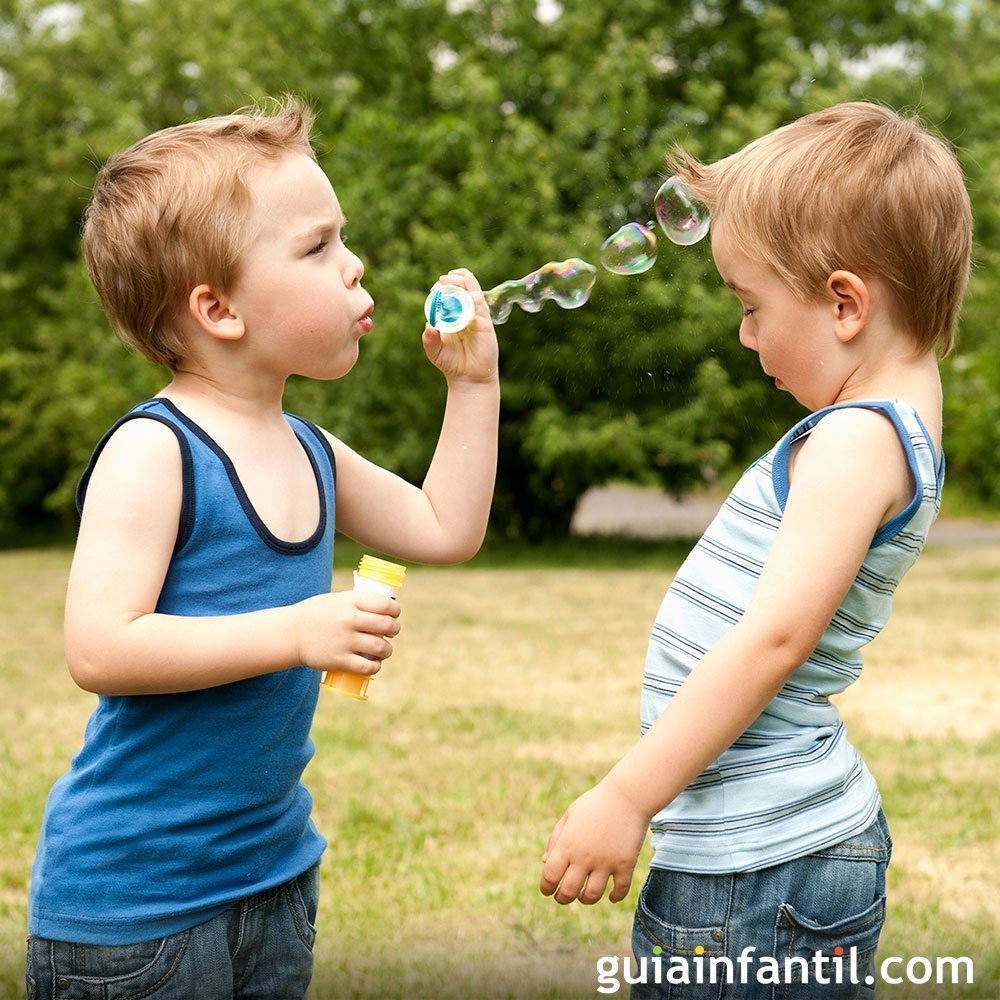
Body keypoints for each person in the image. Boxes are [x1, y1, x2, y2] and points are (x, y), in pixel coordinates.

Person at [26, 96, 499, 999]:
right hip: (135, 910)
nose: (355, 263)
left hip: (273, 875)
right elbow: (100, 647)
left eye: (341, 237)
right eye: (318, 247)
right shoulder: (156, 451)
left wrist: (472, 386)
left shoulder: (313, 450)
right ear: (217, 308)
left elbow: (447, 527)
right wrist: (296, 632)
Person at [540, 102, 972, 997]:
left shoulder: (857, 440)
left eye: (751, 307)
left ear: (846, 303)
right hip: (771, 853)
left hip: (755, 868)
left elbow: (773, 640)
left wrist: (625, 797)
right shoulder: (892, 422)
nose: (743, 335)